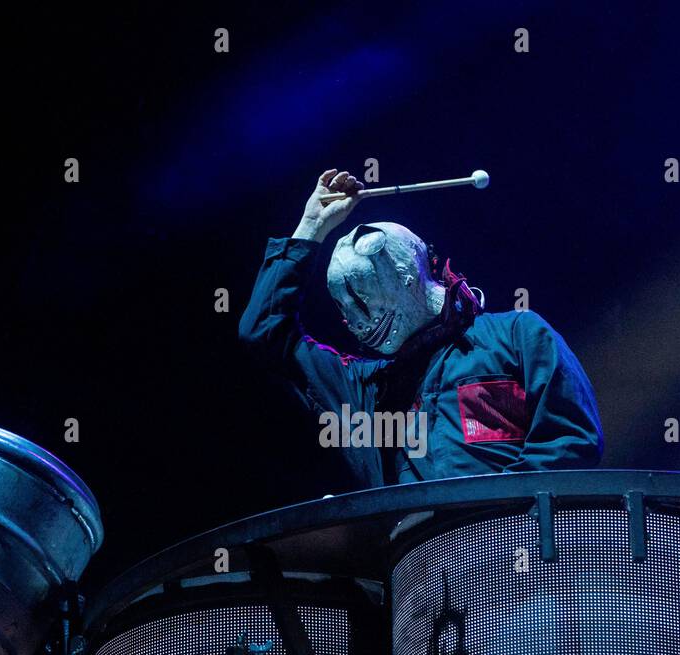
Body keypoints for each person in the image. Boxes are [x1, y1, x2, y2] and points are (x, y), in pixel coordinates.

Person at [239, 168, 604, 487]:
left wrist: (490, 516)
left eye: (364, 297)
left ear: (408, 275)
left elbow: (570, 441)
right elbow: (265, 333)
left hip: (513, 555)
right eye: (343, 307)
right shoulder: (365, 390)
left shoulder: (516, 336)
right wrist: (310, 229)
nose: (353, 320)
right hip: (417, 563)